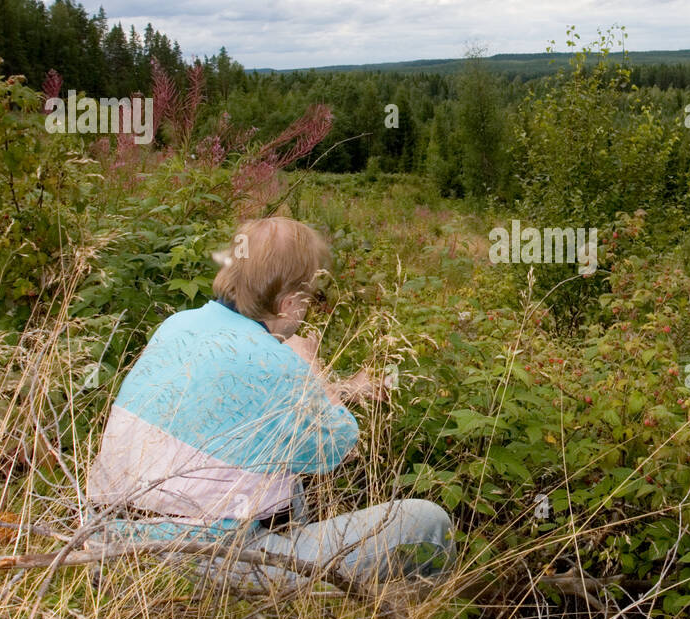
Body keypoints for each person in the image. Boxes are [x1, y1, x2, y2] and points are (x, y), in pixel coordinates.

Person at [85, 216, 455, 586]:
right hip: (200, 560)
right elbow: (338, 446)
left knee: (283, 480)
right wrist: (308, 366)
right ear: (289, 303)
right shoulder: (277, 363)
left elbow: (236, 403)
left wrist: (341, 388)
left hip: (108, 541)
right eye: (310, 299)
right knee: (427, 521)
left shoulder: (179, 324)